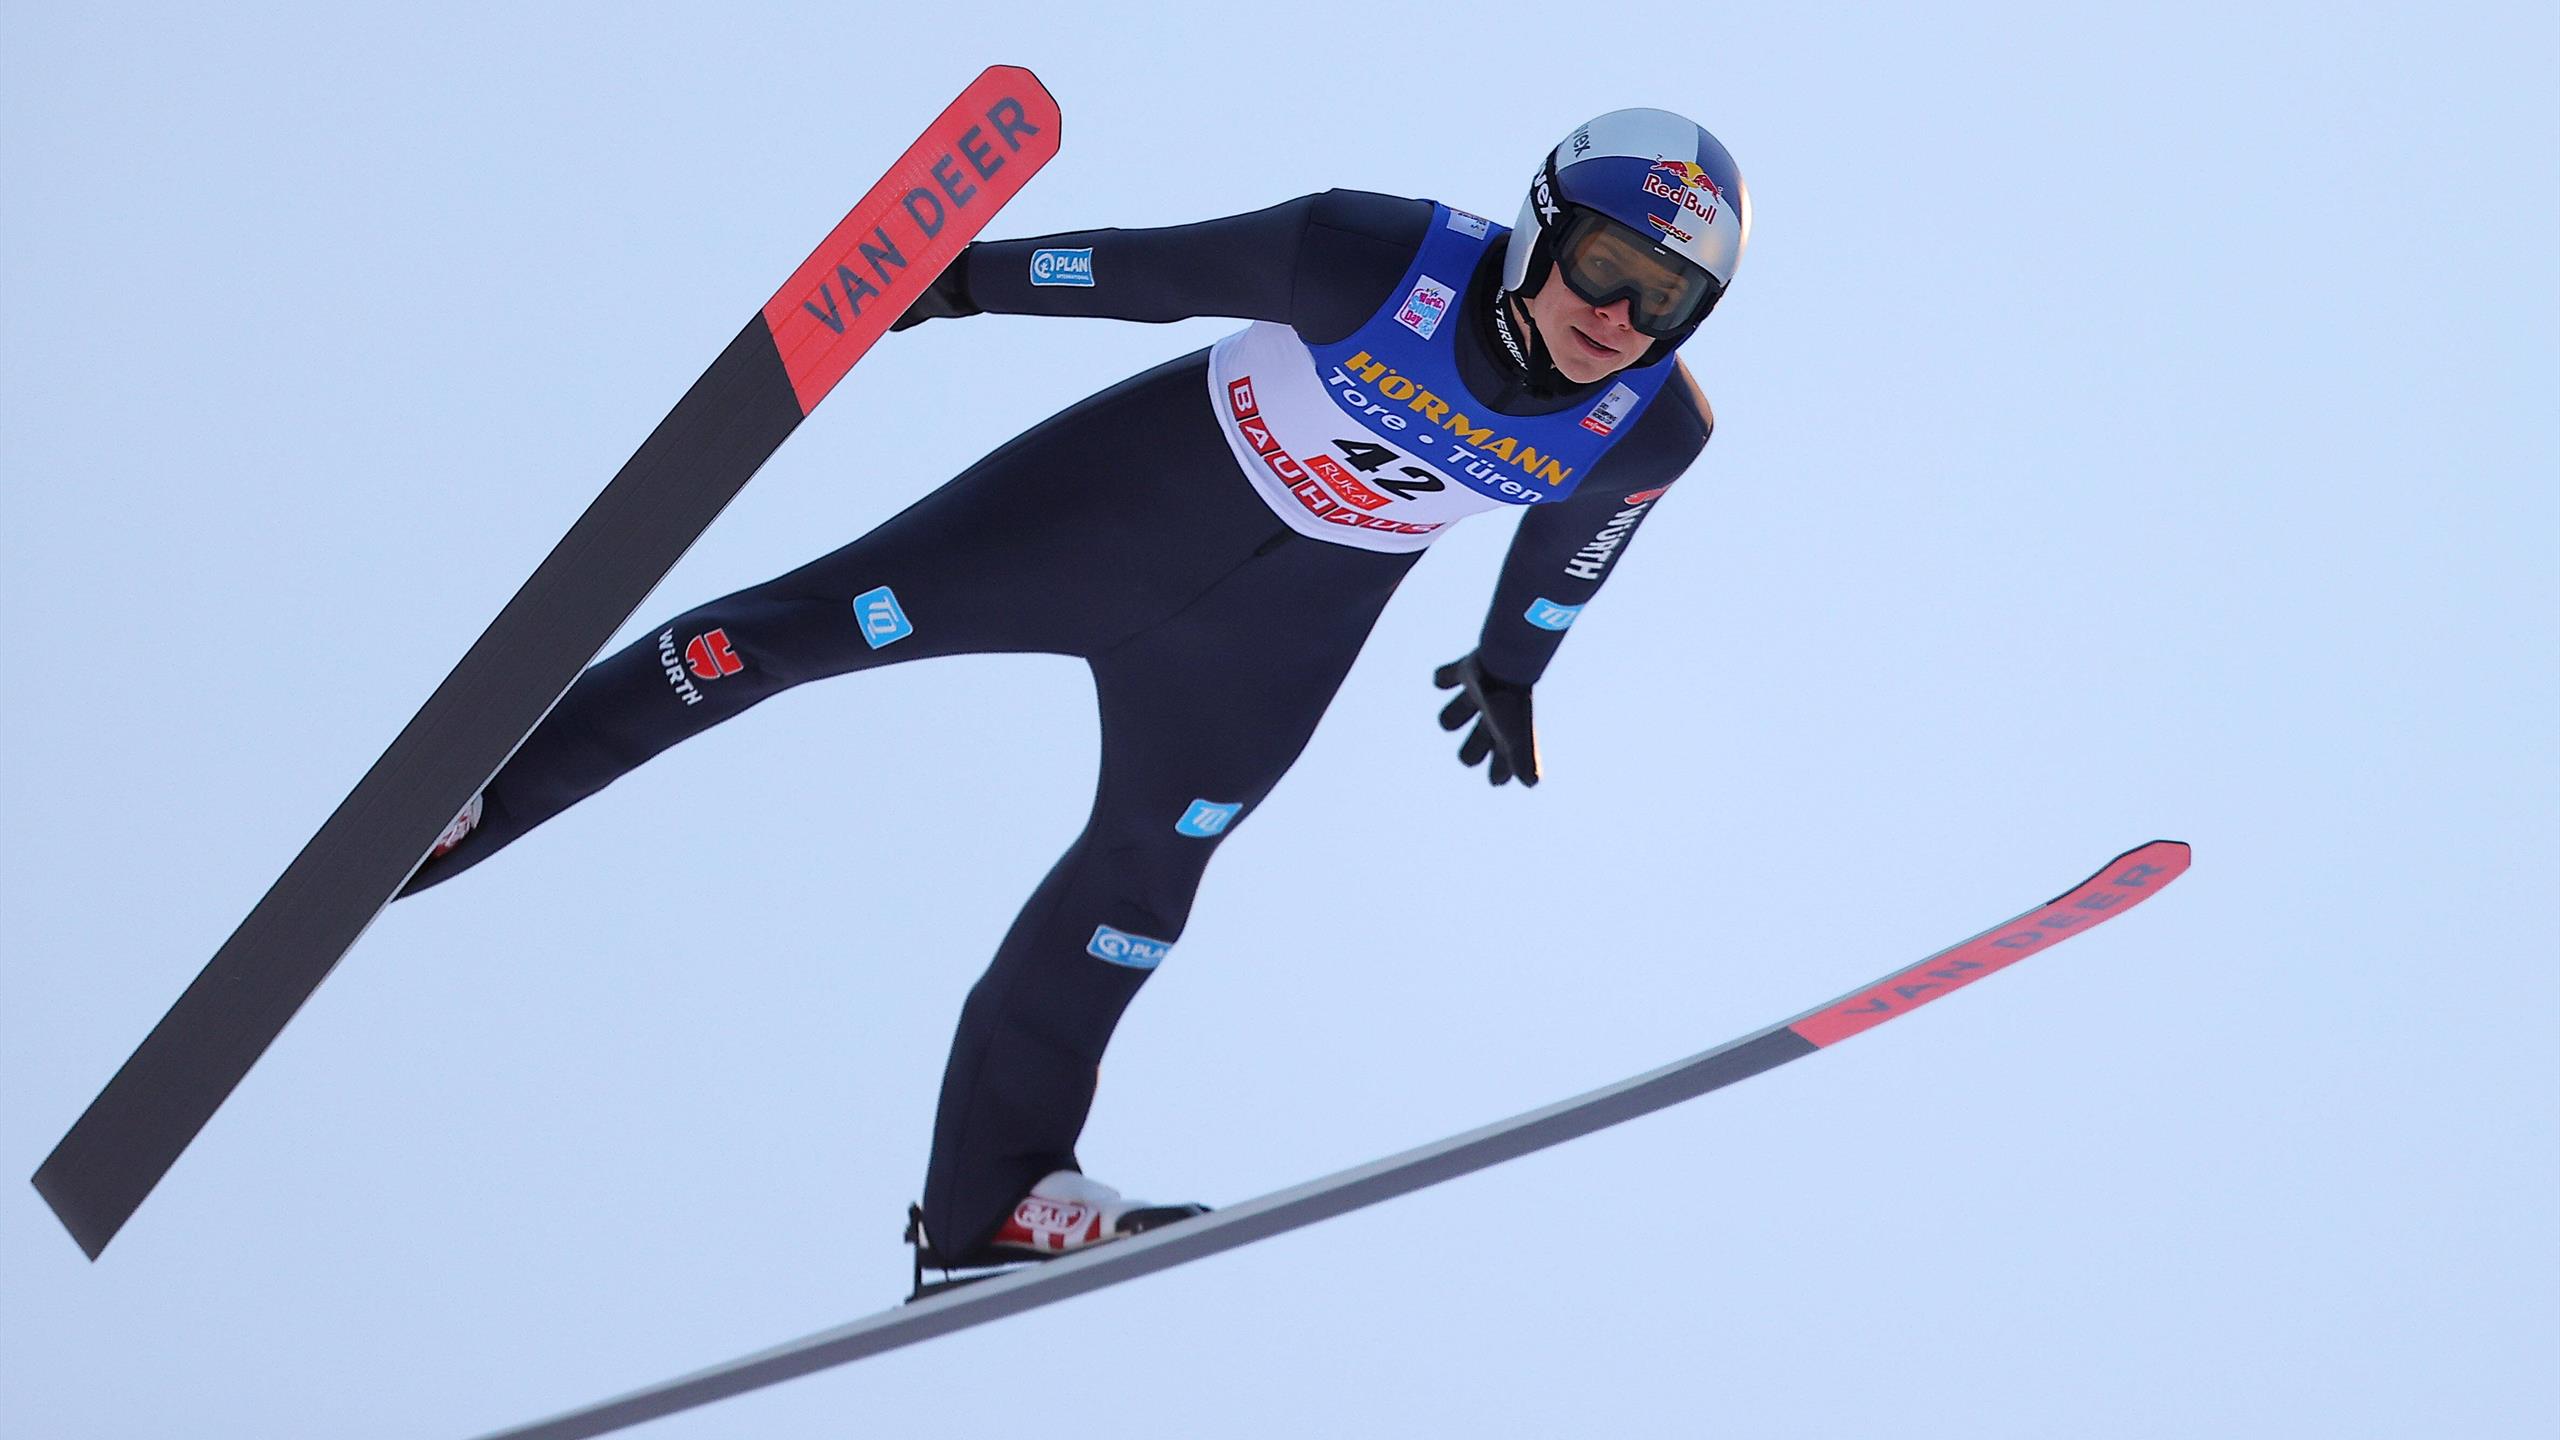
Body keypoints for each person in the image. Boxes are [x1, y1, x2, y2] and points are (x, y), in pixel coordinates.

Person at [401, 107, 1750, 1275]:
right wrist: (958, 282)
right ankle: (470, 802)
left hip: (1270, 646)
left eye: (1666, 301)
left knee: (1141, 894)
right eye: (1606, 266)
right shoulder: (1375, 254)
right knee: (789, 636)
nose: (1618, 318)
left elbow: (1574, 548)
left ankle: (992, 1201)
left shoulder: (1648, 425)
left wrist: (1513, 667)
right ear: (1540, 226)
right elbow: (1145, 275)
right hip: (1101, 519)